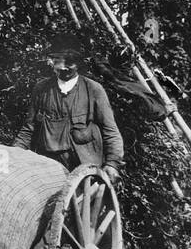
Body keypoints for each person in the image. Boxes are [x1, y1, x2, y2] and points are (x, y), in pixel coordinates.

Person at [12, 34, 124, 183]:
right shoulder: (41, 89)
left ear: (78, 63)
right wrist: (13, 154)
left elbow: (110, 130)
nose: (63, 67)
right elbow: (28, 128)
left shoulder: (94, 90)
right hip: (48, 166)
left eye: (69, 62)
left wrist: (112, 163)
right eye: (58, 61)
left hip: (84, 169)